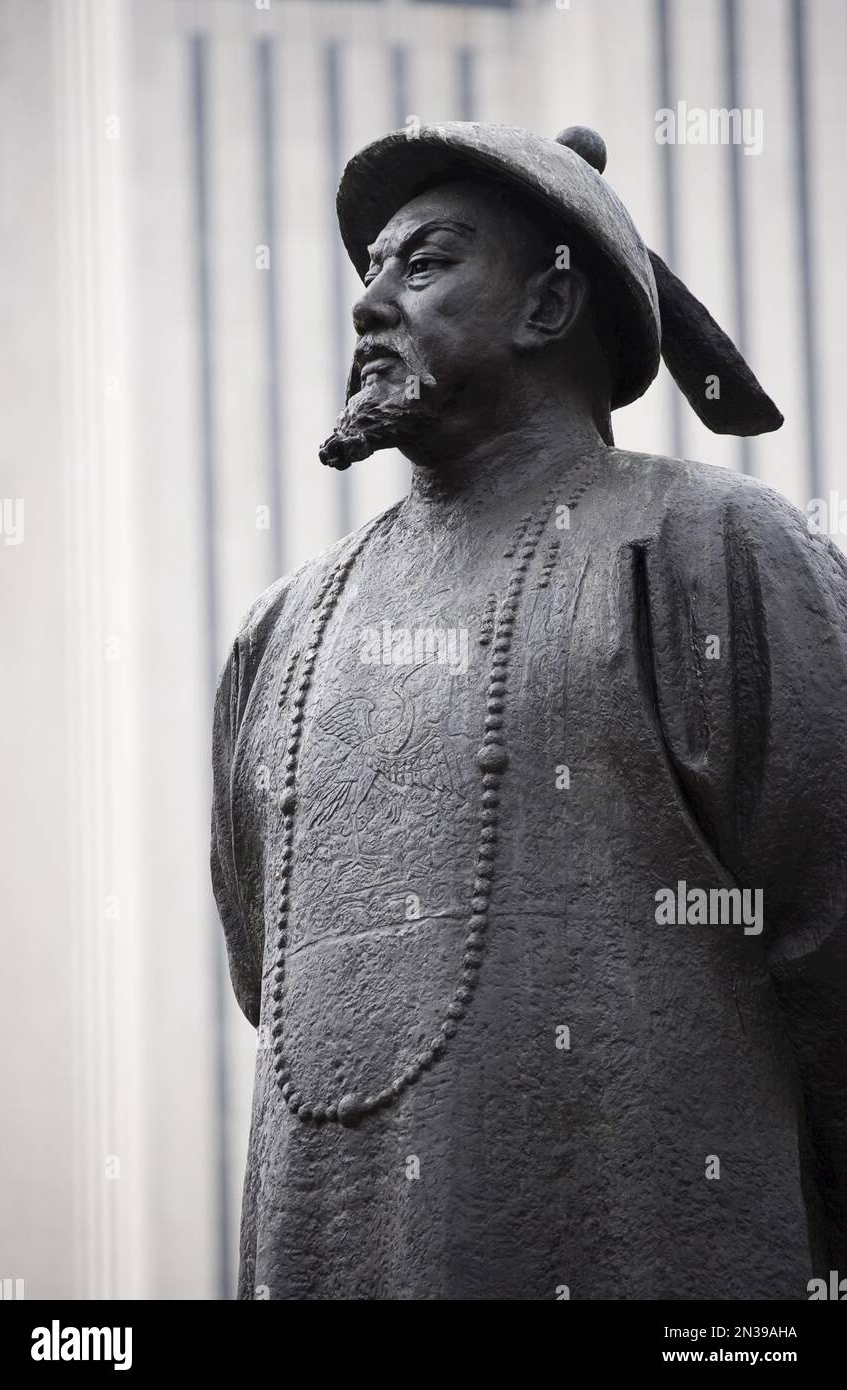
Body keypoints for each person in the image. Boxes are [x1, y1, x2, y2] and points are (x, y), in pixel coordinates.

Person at [211, 123, 847, 1299]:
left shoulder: (712, 547)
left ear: (548, 306)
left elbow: (832, 932)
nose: (368, 306)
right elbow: (269, 982)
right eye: (369, 272)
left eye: (425, 263)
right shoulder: (277, 632)